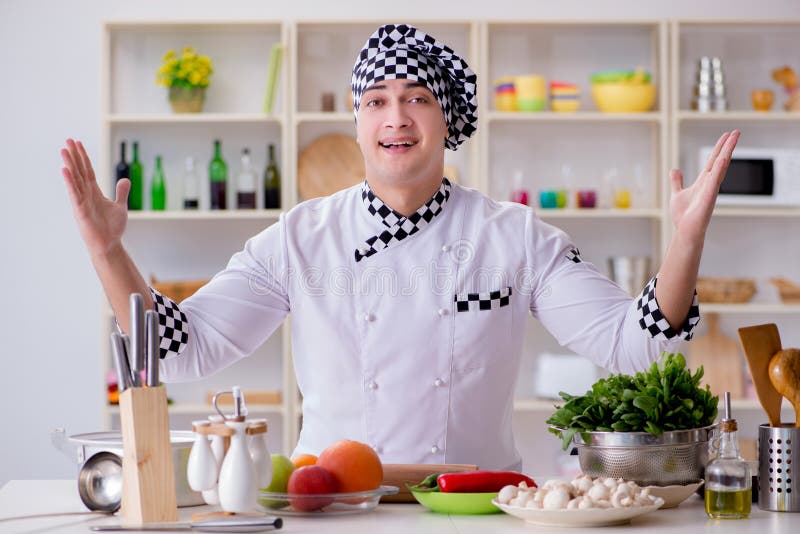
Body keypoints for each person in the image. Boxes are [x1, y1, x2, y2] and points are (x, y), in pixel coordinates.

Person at [61, 24, 739, 471]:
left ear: (447, 120)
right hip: (328, 510)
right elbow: (179, 352)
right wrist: (105, 251)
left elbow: (637, 345)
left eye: (417, 99)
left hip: (474, 511)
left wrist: (685, 242)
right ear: (357, 124)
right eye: (378, 101)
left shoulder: (515, 236)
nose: (396, 118)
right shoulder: (300, 238)